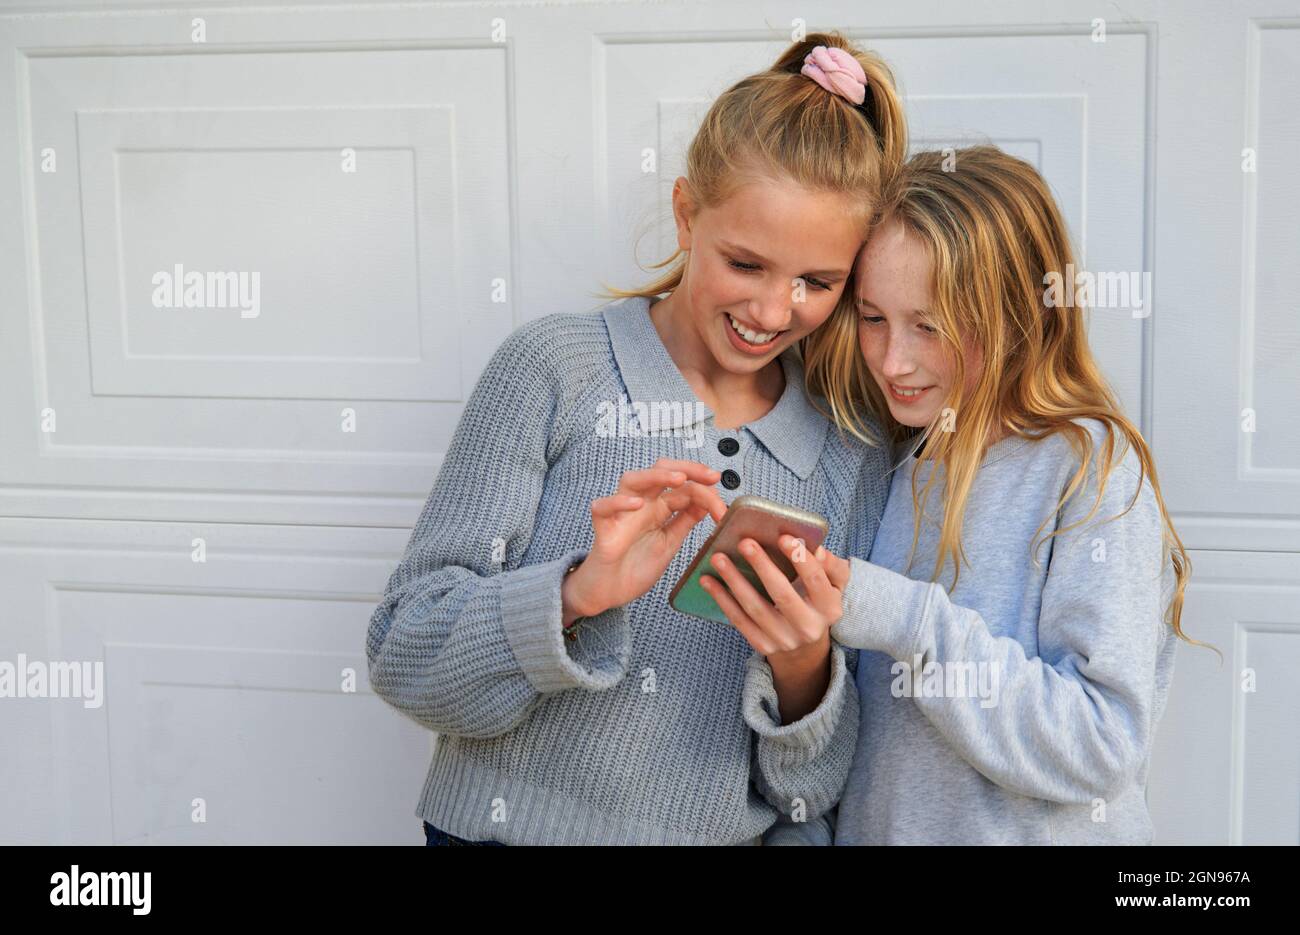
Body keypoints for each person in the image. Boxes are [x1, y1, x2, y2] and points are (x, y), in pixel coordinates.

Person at [365, 33, 908, 844]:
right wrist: (576, 595)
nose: (771, 311)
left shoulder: (850, 453)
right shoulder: (553, 370)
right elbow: (403, 656)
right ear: (688, 215)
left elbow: (812, 795)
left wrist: (803, 671)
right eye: (746, 263)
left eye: (816, 283)